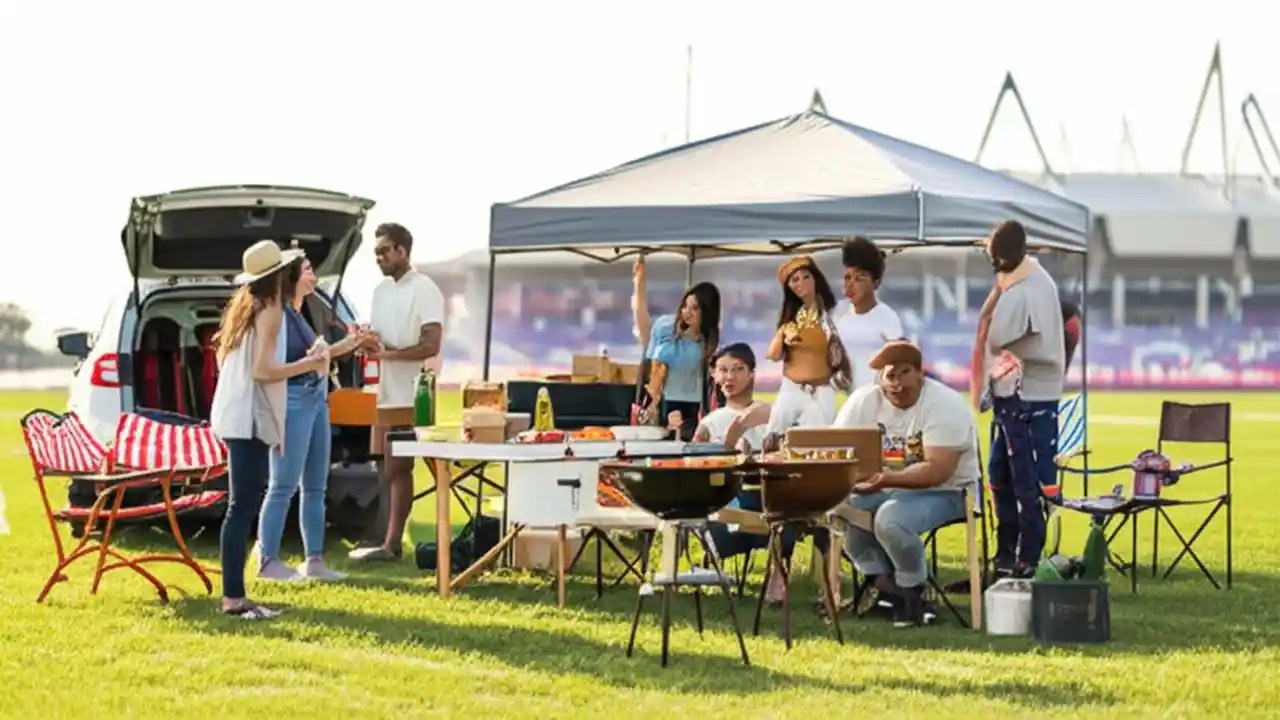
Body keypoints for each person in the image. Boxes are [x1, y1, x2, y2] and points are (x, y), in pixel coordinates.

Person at [209, 240, 329, 618]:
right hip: (249, 418)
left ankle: (234, 595)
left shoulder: (247, 308)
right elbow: (263, 371)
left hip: (236, 415)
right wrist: (309, 364)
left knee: (240, 506)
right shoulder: (271, 311)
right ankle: (233, 599)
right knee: (241, 507)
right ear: (279, 275)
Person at [833, 340, 980, 627]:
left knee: (891, 520)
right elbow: (836, 447)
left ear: (920, 373)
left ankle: (914, 589)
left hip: (947, 491)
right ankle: (885, 588)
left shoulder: (945, 404)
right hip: (887, 487)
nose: (897, 384)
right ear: (880, 377)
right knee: (840, 508)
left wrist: (887, 478)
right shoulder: (864, 401)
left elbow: (938, 471)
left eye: (904, 373)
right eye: (890, 375)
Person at [256, 258, 374, 581]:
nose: (314, 273)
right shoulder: (278, 315)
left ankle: (314, 560)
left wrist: (347, 345)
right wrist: (321, 357)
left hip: (317, 399)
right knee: (282, 484)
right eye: (307, 268)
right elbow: (287, 364)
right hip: (294, 400)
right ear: (292, 277)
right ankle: (267, 560)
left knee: (315, 486)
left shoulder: (299, 314)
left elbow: (316, 358)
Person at [972, 220, 1065, 578]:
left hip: (1031, 400)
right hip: (1008, 397)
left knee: (1027, 484)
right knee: (1000, 476)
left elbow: (1011, 338)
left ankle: (1028, 560)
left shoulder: (1033, 287)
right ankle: (1005, 555)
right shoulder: (1014, 283)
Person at [349, 223, 446, 563]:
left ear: (402, 251)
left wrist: (388, 355)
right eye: (375, 252)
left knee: (401, 468)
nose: (378, 257)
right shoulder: (380, 291)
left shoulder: (425, 289)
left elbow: (431, 345)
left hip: (414, 393)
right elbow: (381, 340)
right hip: (384, 391)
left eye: (384, 251)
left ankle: (392, 544)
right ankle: (387, 540)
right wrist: (366, 341)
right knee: (387, 469)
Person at [694, 343, 791, 603]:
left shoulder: (771, 415)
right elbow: (699, 469)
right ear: (714, 375)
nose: (730, 377)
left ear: (752, 374)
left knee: (787, 507)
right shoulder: (709, 423)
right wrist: (730, 444)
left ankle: (778, 574)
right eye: (723, 370)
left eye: (737, 369)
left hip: (769, 494)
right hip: (729, 499)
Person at [632, 257, 721, 441]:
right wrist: (639, 282)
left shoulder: (704, 345)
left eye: (695, 308)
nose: (687, 312)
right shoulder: (665, 325)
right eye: (685, 306)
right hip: (656, 398)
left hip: (688, 402)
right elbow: (647, 342)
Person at [765, 255, 851, 435]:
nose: (801, 283)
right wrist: (783, 332)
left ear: (815, 279)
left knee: (818, 440)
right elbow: (773, 355)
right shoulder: (791, 321)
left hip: (822, 389)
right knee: (774, 435)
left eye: (806, 277)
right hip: (791, 388)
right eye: (795, 280)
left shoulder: (832, 315)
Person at [832, 237, 904, 389]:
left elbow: (900, 360)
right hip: (847, 397)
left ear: (876, 283)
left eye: (859, 279)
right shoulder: (838, 314)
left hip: (877, 396)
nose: (850, 285)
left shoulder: (887, 317)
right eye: (847, 278)